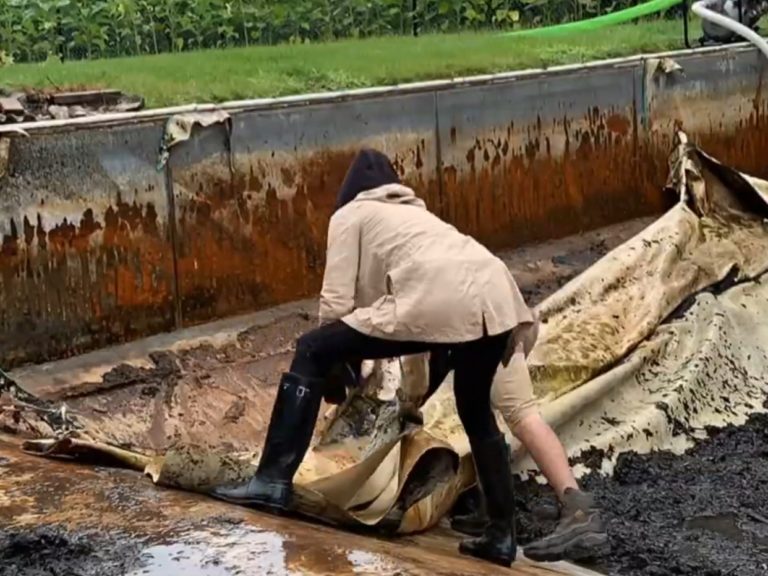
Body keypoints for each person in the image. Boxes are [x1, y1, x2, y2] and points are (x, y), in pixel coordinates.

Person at [210, 148, 537, 567]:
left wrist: (331, 364)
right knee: (474, 407)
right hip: (496, 293)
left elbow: (336, 304)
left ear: (349, 192)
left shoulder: (349, 215)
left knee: (311, 347)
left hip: (442, 297)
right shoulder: (417, 215)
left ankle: (271, 481)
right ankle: (500, 536)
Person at [423, 321, 610, 563]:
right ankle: (491, 509)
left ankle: (579, 512)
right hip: (492, 321)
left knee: (523, 415)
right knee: (479, 411)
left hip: (494, 326)